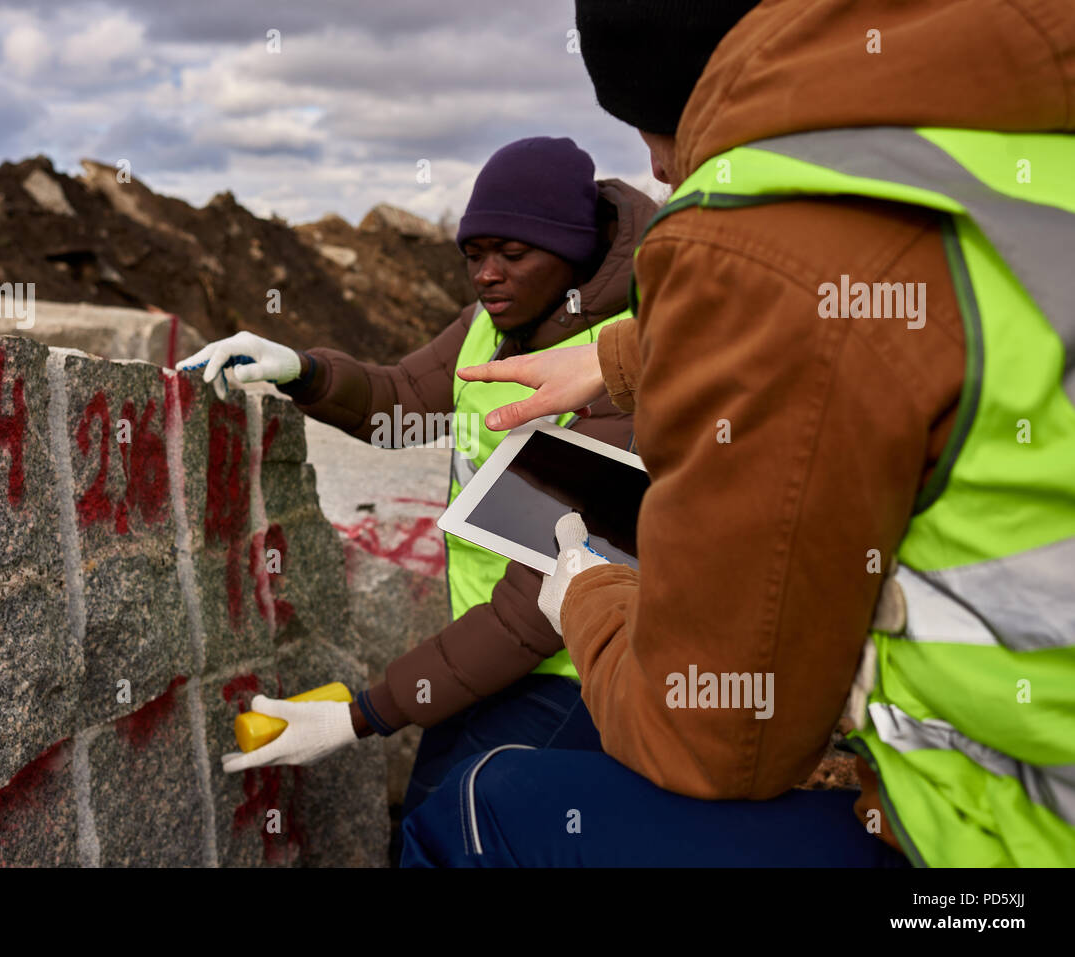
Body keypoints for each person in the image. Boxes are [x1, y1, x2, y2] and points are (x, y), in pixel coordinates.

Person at [399, 0, 1075, 867]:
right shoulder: (1004, 135)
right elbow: (909, 305)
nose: (659, 168)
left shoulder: (759, 224)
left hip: (999, 854)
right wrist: (629, 354)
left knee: (478, 808)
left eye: (647, 133)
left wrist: (586, 591)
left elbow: (716, 736)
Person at [177, 137, 658, 813]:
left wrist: (363, 712)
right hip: (485, 658)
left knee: (462, 831)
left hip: (575, 672)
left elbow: (535, 604)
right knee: (431, 825)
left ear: (574, 249)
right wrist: (302, 370)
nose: (486, 274)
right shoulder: (484, 329)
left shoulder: (619, 370)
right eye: (473, 253)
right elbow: (400, 400)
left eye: (512, 254)